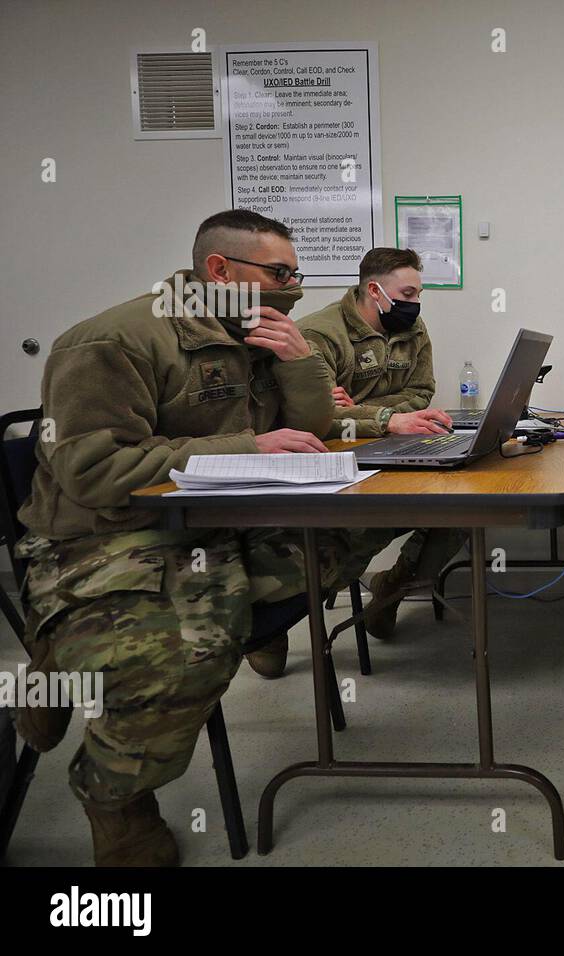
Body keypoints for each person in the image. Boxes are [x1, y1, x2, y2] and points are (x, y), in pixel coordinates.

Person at [14, 210, 388, 865]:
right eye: (279, 274)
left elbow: (312, 432)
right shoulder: (113, 340)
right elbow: (92, 468)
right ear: (220, 270)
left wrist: (298, 363)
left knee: (363, 525)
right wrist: (246, 448)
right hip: (106, 538)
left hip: (220, 522)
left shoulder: (258, 332)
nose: (292, 289)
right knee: (190, 648)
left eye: (295, 275)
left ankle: (118, 641)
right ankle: (116, 801)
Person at [296, 248, 467, 639]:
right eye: (407, 294)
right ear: (374, 290)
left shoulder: (414, 329)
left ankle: (393, 587)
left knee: (461, 509)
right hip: (336, 459)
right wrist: (388, 420)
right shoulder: (319, 334)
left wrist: (369, 413)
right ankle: (272, 628)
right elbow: (318, 420)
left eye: (418, 294)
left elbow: (422, 391)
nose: (415, 303)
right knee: (361, 530)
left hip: (394, 449)